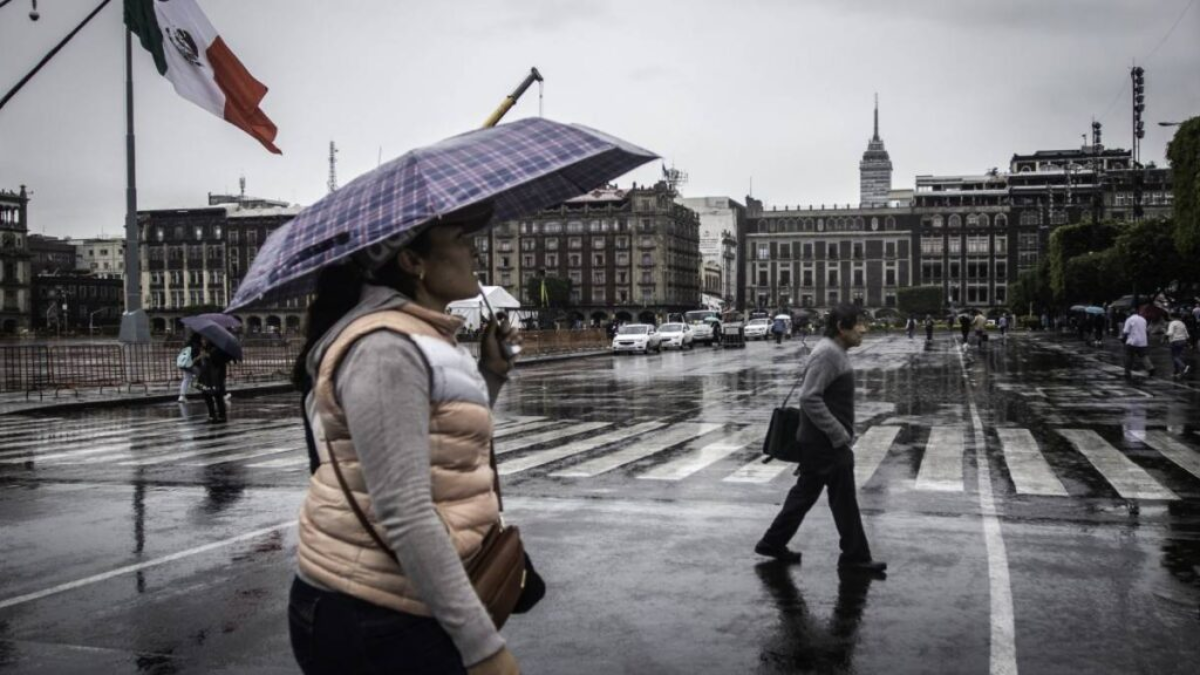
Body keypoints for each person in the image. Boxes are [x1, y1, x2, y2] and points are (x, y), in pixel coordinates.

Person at [287, 203, 523, 675]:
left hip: (401, 597)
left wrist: (490, 374)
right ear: (413, 262)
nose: (474, 251)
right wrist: (483, 649)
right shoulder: (385, 349)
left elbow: (443, 447)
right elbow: (404, 509)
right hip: (370, 613)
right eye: (460, 239)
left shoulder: (420, 335)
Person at [754, 303, 887, 575]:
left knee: (805, 495)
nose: (864, 329)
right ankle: (854, 556)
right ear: (841, 327)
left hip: (820, 442)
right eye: (859, 323)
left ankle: (772, 542)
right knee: (843, 500)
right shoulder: (828, 354)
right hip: (826, 443)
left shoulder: (834, 351)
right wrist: (838, 434)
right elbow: (809, 398)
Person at [196, 337, 231, 423]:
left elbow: (220, 361)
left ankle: (222, 415)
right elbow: (200, 363)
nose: (203, 341)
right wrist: (200, 357)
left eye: (204, 339)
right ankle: (212, 415)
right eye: (202, 339)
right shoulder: (204, 349)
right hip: (206, 376)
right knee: (206, 394)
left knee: (217, 395)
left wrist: (209, 356)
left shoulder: (218, 348)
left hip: (216, 376)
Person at [1121, 308, 1155, 380]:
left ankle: (1127, 371)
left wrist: (1123, 339)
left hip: (1132, 341)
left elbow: (1126, 331)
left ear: (1130, 313)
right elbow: (1145, 330)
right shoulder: (1143, 319)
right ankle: (1150, 368)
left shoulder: (1129, 319)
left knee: (1129, 356)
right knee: (1144, 356)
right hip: (1143, 342)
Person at [177, 333, 201, 402]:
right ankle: (195, 385)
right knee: (202, 376)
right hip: (193, 365)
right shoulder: (197, 346)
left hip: (185, 365)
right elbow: (196, 357)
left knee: (186, 379)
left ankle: (181, 396)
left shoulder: (188, 344)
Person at [1166, 314, 1192, 379]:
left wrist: (1165, 336)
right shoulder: (1182, 323)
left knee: (1174, 357)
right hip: (1183, 341)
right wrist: (1188, 343)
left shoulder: (1172, 323)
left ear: (1172, 317)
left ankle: (1184, 367)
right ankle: (1176, 372)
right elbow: (1187, 335)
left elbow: (1170, 333)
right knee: (1177, 356)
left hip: (1175, 341)